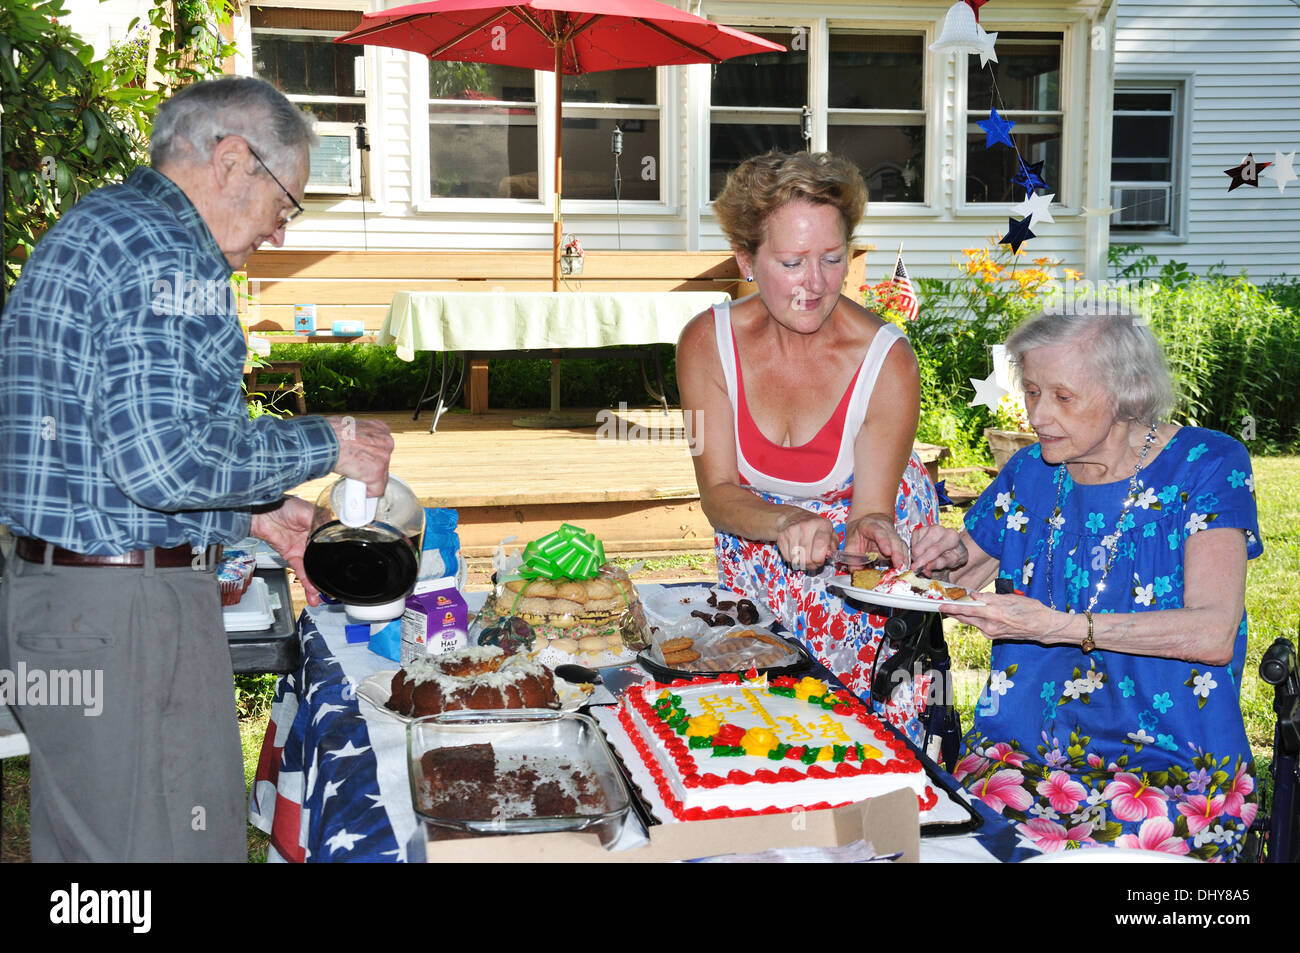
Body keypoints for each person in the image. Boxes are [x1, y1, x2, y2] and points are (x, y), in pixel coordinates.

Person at [0, 77, 394, 862]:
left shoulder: (102, 226)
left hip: (67, 599)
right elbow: (163, 459)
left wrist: (248, 514)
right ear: (233, 160)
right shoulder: (163, 249)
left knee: (94, 864)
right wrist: (333, 439)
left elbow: (102, 455)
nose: (280, 234)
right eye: (286, 205)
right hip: (128, 615)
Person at [911, 308, 1261, 860]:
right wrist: (942, 553)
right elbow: (959, 573)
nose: (1038, 415)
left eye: (1063, 397)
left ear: (1127, 393)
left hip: (1171, 775)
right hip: (1016, 761)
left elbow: (1214, 632)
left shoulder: (1206, 464)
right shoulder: (1031, 470)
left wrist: (1059, 628)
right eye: (1030, 391)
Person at [676, 152, 940, 741]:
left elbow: (870, 509)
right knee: (759, 741)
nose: (816, 284)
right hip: (761, 564)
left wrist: (869, 527)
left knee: (864, 753)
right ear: (746, 259)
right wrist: (788, 518)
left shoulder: (886, 362)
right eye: (792, 262)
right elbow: (718, 494)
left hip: (861, 584)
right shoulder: (704, 344)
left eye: (832, 258)